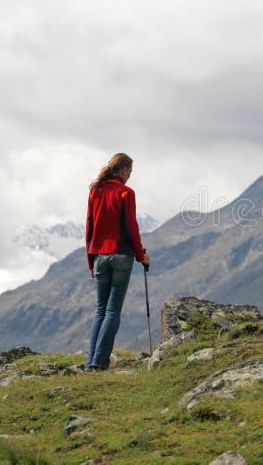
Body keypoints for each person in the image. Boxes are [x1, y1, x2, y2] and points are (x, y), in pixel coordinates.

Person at [84, 153, 151, 371]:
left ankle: (90, 363)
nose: (129, 177)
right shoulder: (126, 193)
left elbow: (89, 227)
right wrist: (141, 256)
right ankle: (99, 363)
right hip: (122, 255)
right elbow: (132, 227)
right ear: (123, 170)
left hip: (100, 257)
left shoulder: (95, 192)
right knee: (113, 311)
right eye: (129, 172)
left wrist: (90, 261)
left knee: (100, 311)